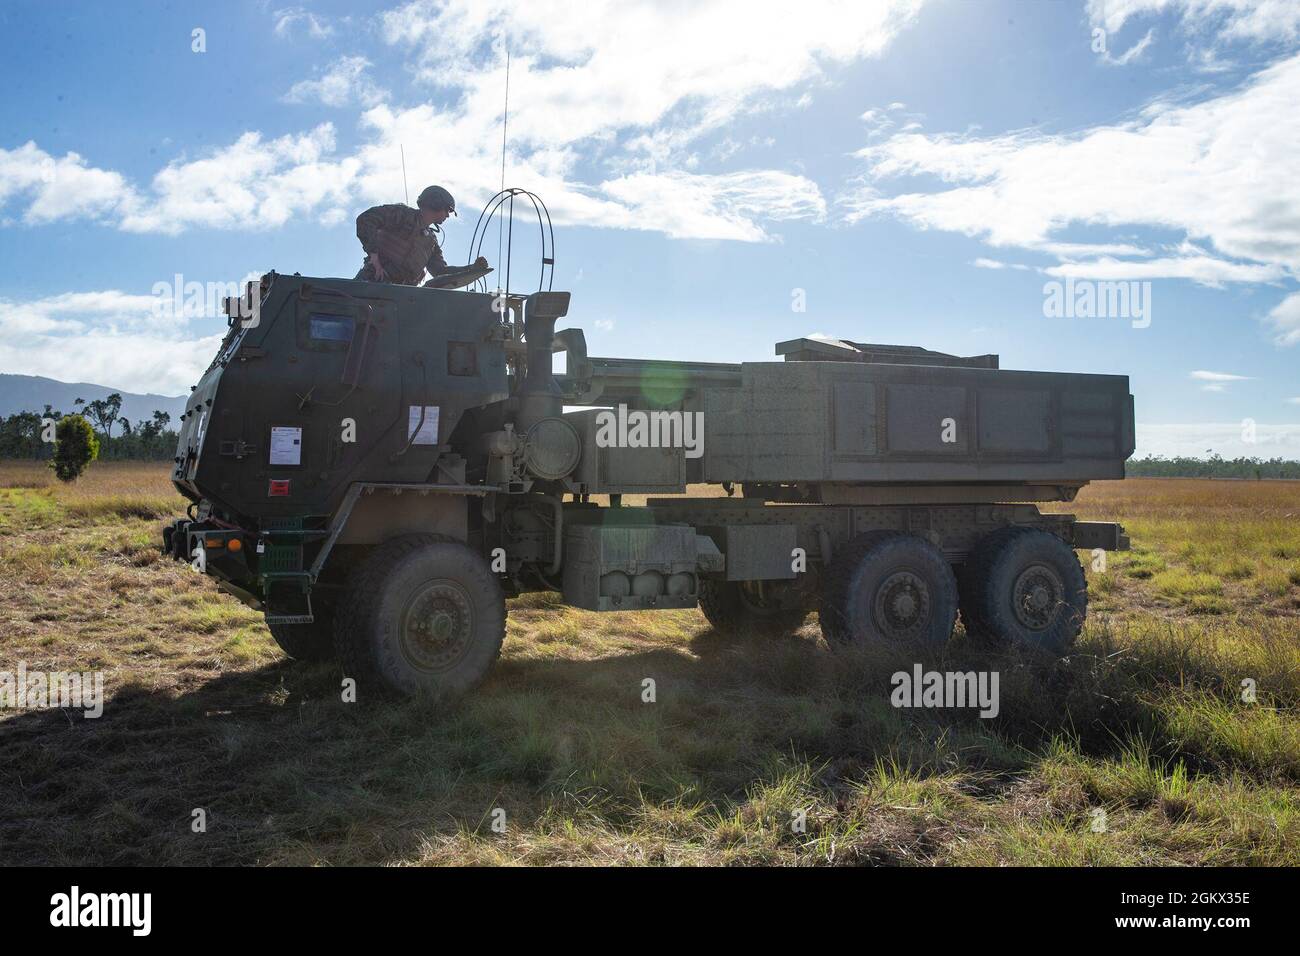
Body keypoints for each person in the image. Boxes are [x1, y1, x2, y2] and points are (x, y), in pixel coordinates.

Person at [354, 185, 488, 286]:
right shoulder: (402, 215)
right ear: (436, 203)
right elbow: (366, 219)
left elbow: (440, 271)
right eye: (447, 210)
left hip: (401, 295)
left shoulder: (430, 241)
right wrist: (374, 257)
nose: (447, 215)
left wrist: (471, 269)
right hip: (373, 282)